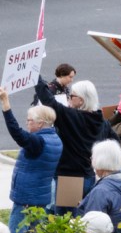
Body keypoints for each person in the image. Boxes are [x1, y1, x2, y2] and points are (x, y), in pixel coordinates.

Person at [0, 86, 61, 233]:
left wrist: (5, 104)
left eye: (30, 121)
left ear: (40, 123)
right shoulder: (55, 139)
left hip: (25, 199)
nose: (27, 124)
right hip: (40, 199)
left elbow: (17, 134)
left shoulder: (37, 142)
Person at [34, 72, 106, 209]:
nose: (69, 99)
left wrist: (35, 74)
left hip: (70, 178)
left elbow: (48, 101)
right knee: (82, 219)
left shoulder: (72, 117)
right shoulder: (99, 118)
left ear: (82, 100)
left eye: (72, 96)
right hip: (88, 175)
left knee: (65, 221)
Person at [81, 140, 121, 233]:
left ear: (102, 161)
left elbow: (93, 226)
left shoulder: (101, 191)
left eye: (93, 157)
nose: (91, 159)